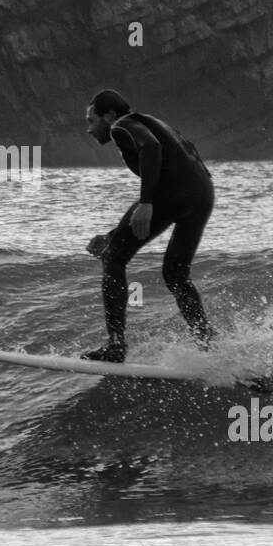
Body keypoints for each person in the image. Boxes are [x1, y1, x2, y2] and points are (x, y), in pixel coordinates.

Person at [82, 89, 216, 362]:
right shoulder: (153, 121)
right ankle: (208, 344)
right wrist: (114, 233)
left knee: (113, 258)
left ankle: (116, 346)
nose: (89, 129)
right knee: (176, 274)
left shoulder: (122, 125)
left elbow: (151, 147)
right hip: (201, 194)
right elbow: (188, 153)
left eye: (91, 120)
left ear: (108, 116)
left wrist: (146, 203)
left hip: (172, 194)